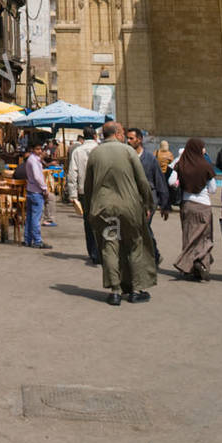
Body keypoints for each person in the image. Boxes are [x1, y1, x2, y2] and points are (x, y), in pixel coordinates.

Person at [83, 120, 156, 306]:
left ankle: (115, 291)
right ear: (117, 133)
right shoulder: (128, 151)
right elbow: (142, 181)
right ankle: (136, 289)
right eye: (122, 132)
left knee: (109, 246)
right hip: (129, 207)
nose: (124, 135)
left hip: (103, 209)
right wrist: (148, 204)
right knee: (134, 245)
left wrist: (89, 210)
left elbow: (88, 187)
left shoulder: (95, 154)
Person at [168, 139, 217, 281]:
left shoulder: (180, 164)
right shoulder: (205, 165)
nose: (204, 150)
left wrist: (182, 183)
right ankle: (200, 265)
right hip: (204, 205)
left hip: (187, 205)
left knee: (189, 236)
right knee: (205, 237)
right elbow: (213, 189)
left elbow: (171, 182)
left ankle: (189, 267)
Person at [125, 127, 169, 264]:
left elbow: (159, 181)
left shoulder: (149, 158)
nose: (128, 141)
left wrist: (165, 204)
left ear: (139, 139)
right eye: (128, 138)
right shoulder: (126, 157)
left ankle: (150, 257)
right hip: (132, 199)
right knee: (140, 228)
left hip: (149, 200)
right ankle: (153, 254)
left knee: (143, 227)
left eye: (131, 138)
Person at [67, 127, 100, 264]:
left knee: (88, 222)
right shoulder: (100, 150)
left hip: (83, 192)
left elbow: (72, 173)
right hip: (100, 191)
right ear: (94, 136)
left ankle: (92, 252)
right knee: (100, 221)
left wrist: (72, 195)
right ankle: (101, 251)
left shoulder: (77, 151)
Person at [23, 143, 52, 249]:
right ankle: (37, 241)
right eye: (37, 149)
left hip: (31, 191)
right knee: (35, 217)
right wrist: (44, 188)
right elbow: (37, 176)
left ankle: (27, 239)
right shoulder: (33, 160)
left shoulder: (33, 159)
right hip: (36, 192)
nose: (40, 151)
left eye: (40, 149)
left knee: (30, 217)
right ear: (32, 149)